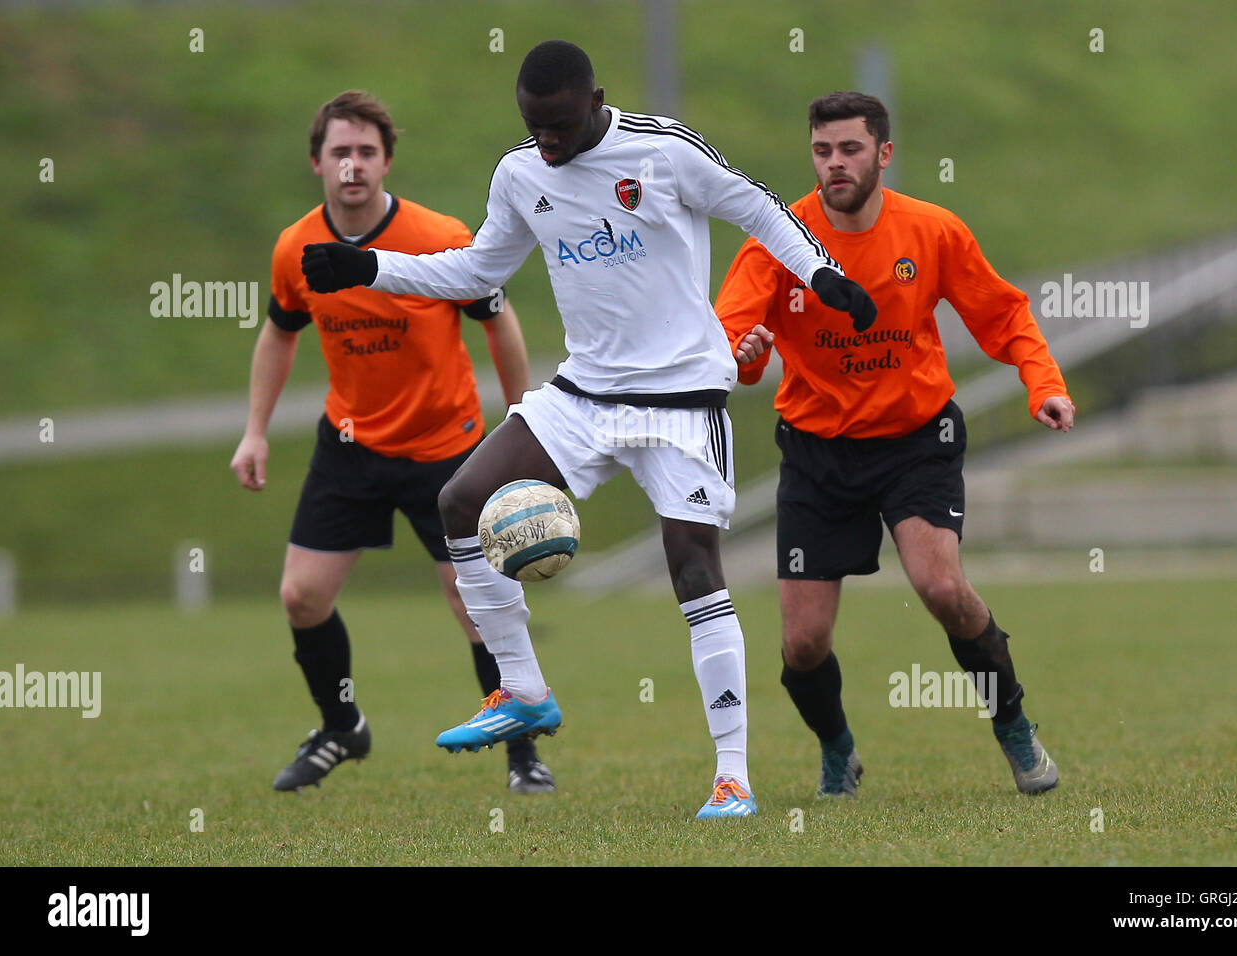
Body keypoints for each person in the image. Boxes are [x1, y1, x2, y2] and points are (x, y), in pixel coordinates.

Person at [300, 42, 877, 818]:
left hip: (680, 399)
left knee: (693, 569)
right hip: (586, 393)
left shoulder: (664, 150)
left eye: (562, 126)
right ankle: (526, 689)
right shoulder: (522, 173)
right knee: (461, 499)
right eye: (535, 128)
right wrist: (372, 270)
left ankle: (732, 776)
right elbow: (477, 271)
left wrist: (823, 275)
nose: (549, 143)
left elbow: (757, 208)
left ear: (595, 100)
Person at [715, 91, 1074, 798]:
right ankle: (837, 748)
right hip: (817, 451)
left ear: (883, 153)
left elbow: (1003, 314)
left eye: (849, 149)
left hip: (917, 440)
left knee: (942, 587)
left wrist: (1044, 386)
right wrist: (750, 355)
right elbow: (725, 346)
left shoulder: (931, 231)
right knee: (802, 644)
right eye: (822, 151)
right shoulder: (776, 239)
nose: (834, 164)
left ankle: (1014, 728)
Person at [230, 90, 555, 795]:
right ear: (317, 162)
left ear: (386, 163)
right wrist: (255, 431)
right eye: (340, 152)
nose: (353, 165)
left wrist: (523, 417)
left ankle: (523, 750)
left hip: (446, 446)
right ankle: (342, 727)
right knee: (301, 597)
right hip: (349, 447)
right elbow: (279, 335)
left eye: (366, 153)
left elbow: (498, 321)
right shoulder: (296, 248)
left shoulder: (437, 234)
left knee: (473, 604)